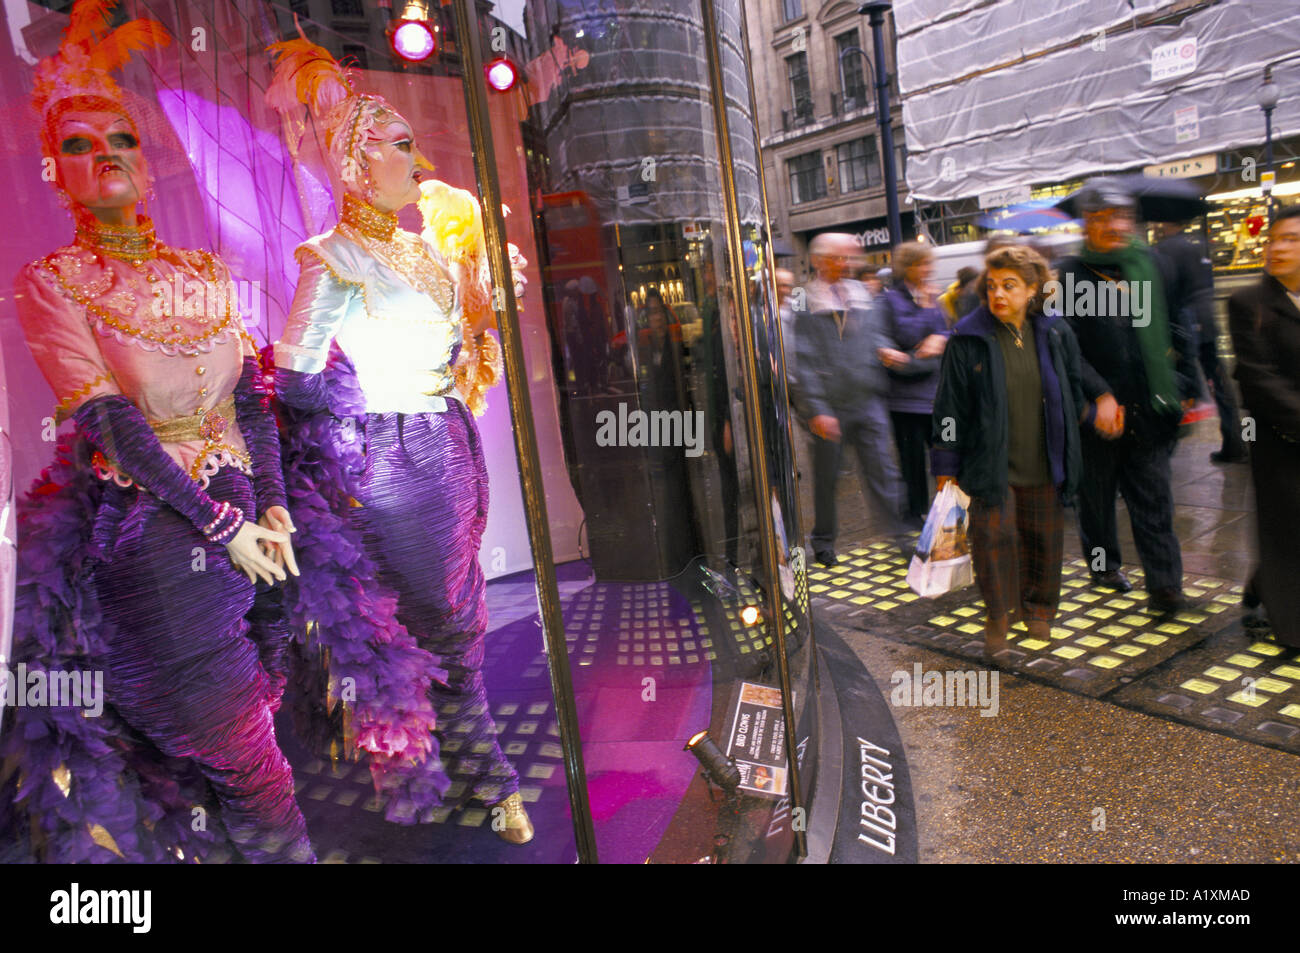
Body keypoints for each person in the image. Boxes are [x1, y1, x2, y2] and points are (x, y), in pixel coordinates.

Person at [1, 0, 313, 863]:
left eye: (122, 138)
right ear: (54, 169)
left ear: (147, 157)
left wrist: (276, 508)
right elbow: (108, 422)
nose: (105, 153)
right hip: (159, 536)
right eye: (78, 143)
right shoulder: (53, 281)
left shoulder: (202, 269)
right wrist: (223, 526)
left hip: (258, 532)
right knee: (247, 763)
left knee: (259, 733)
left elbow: (251, 397)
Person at [267, 36, 533, 843]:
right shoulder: (333, 255)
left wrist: (480, 313)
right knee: (436, 620)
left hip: (450, 444)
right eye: (402, 146)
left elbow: (461, 344)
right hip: (387, 462)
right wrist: (353, 437)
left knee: (453, 609)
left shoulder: (423, 252)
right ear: (357, 161)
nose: (419, 161)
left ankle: (428, 762)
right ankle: (487, 777)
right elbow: (297, 381)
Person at [932, 246, 1088, 657]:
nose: (999, 294)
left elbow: (1073, 386)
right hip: (990, 464)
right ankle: (998, 613)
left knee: (1045, 539)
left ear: (1033, 289)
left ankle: (1039, 608)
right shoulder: (968, 338)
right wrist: (945, 465)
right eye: (993, 285)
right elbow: (949, 408)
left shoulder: (1055, 331)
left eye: (1010, 286)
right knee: (993, 540)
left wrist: (1083, 423)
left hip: (1044, 459)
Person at [1055, 179, 1200, 615]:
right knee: (1096, 501)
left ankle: (1165, 587)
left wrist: (1186, 383)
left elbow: (1179, 325)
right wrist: (1099, 395)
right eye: (1099, 218)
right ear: (1085, 224)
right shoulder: (1069, 274)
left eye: (1118, 216)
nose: (1111, 225)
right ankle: (1104, 567)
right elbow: (1067, 346)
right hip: (1097, 415)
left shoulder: (1153, 264)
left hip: (1150, 408)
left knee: (1154, 500)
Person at [795, 233, 905, 566]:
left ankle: (900, 536)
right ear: (818, 260)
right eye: (839, 258)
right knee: (827, 479)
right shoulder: (804, 298)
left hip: (866, 399)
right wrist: (817, 409)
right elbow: (803, 360)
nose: (847, 265)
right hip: (830, 407)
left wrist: (885, 349)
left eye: (850, 258)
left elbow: (876, 334)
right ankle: (823, 540)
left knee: (883, 472)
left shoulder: (860, 293)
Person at [1227, 204, 1300, 649]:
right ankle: (1291, 628)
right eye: (1274, 239)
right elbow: (1257, 375)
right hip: (1277, 436)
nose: (1278, 247)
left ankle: (1260, 585)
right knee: (1285, 526)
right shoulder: (1248, 303)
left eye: (1291, 239)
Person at [1153, 220, 1247, 463]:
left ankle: (1165, 445)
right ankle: (1235, 442)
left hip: (1187, 325)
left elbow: (1168, 292)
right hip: (1206, 321)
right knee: (1220, 384)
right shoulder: (1197, 246)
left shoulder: (1166, 250)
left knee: (1181, 383)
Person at [877, 242, 949, 525]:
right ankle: (915, 517)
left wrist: (938, 337)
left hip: (935, 394)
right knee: (912, 463)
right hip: (904, 399)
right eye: (922, 264)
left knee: (945, 454)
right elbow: (903, 336)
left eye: (929, 264)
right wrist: (926, 315)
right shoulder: (890, 301)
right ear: (907, 267)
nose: (928, 270)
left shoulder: (933, 297)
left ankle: (946, 509)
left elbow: (944, 335)